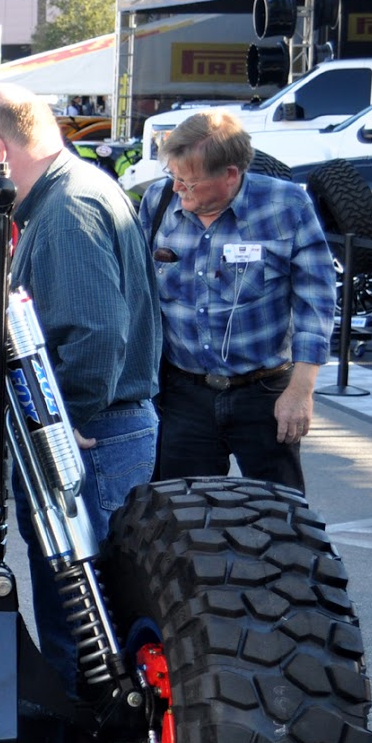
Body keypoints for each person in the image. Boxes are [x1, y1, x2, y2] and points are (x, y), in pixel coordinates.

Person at [0, 83, 162, 743]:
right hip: (96, 434)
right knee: (81, 616)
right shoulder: (61, 199)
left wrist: (61, 425)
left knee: (87, 622)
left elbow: (94, 338)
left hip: (91, 440)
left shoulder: (69, 210)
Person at [140, 109, 334, 494]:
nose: (178, 189)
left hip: (264, 395)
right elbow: (139, 296)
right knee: (180, 519)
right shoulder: (158, 202)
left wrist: (300, 391)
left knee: (282, 520)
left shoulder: (287, 207)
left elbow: (317, 302)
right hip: (183, 394)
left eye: (189, 182)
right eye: (173, 177)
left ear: (230, 175)